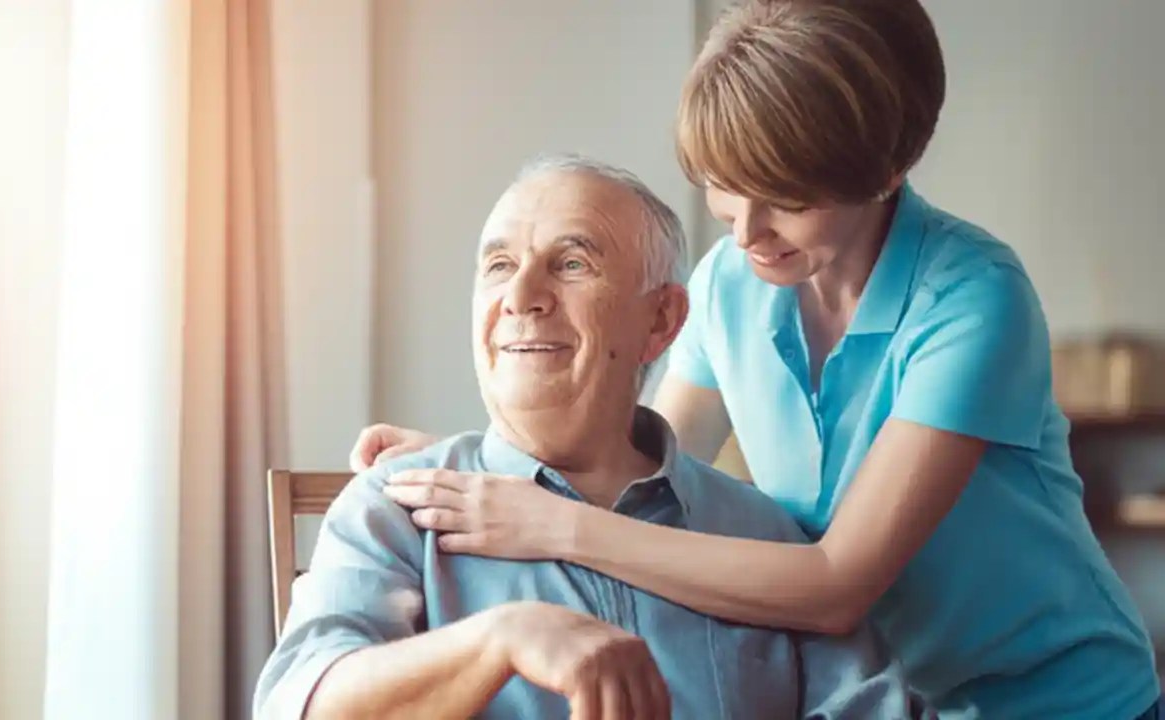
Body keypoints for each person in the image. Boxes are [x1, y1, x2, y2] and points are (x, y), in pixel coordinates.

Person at [351, 2, 1162, 718]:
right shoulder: (731, 285)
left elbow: (839, 584)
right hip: (879, 693)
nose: (745, 230)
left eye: (785, 195)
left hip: (1052, 700)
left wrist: (555, 523)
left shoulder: (972, 300)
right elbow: (638, 472)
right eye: (723, 185)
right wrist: (491, 466)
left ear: (887, 169)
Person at [255, 156, 929, 719]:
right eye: (498, 266)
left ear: (662, 321)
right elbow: (296, 703)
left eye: (571, 263)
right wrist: (502, 638)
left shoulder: (758, 533)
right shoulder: (394, 506)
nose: (521, 296)